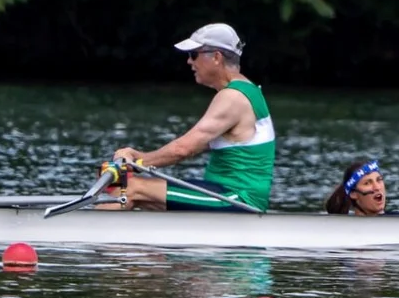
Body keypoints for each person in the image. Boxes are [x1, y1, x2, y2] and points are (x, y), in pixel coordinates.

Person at [109, 23, 275, 211]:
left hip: (237, 198)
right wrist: (138, 158)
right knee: (133, 190)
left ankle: (92, 238)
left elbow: (183, 149)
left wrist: (136, 164)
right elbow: (192, 146)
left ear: (216, 57)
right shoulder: (248, 91)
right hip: (224, 192)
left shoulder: (232, 98)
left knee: (128, 188)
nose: (189, 62)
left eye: (194, 54)